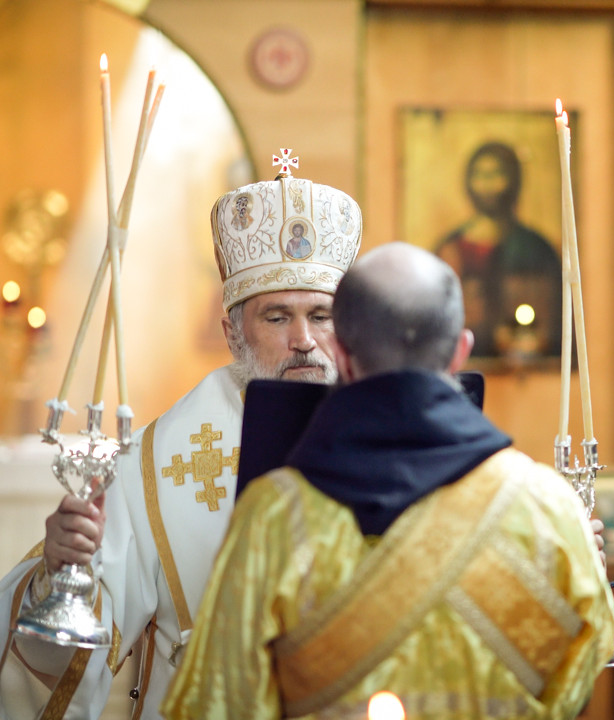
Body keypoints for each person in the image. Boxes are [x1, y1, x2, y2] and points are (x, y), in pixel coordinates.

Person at [162, 242, 614, 720]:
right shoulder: (547, 508)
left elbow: (218, 704)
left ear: (343, 353)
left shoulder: (273, 518)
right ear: (460, 351)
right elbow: (579, 676)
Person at [0, 170, 363, 719]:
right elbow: (66, 643)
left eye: (321, 315)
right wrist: (59, 572)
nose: (304, 340)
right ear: (232, 330)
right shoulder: (153, 464)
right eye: (277, 316)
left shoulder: (387, 441)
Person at [435, 141, 562, 359]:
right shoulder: (450, 248)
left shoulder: (537, 248)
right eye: (479, 175)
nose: (487, 185)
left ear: (514, 180)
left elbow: (550, 323)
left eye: (496, 175)